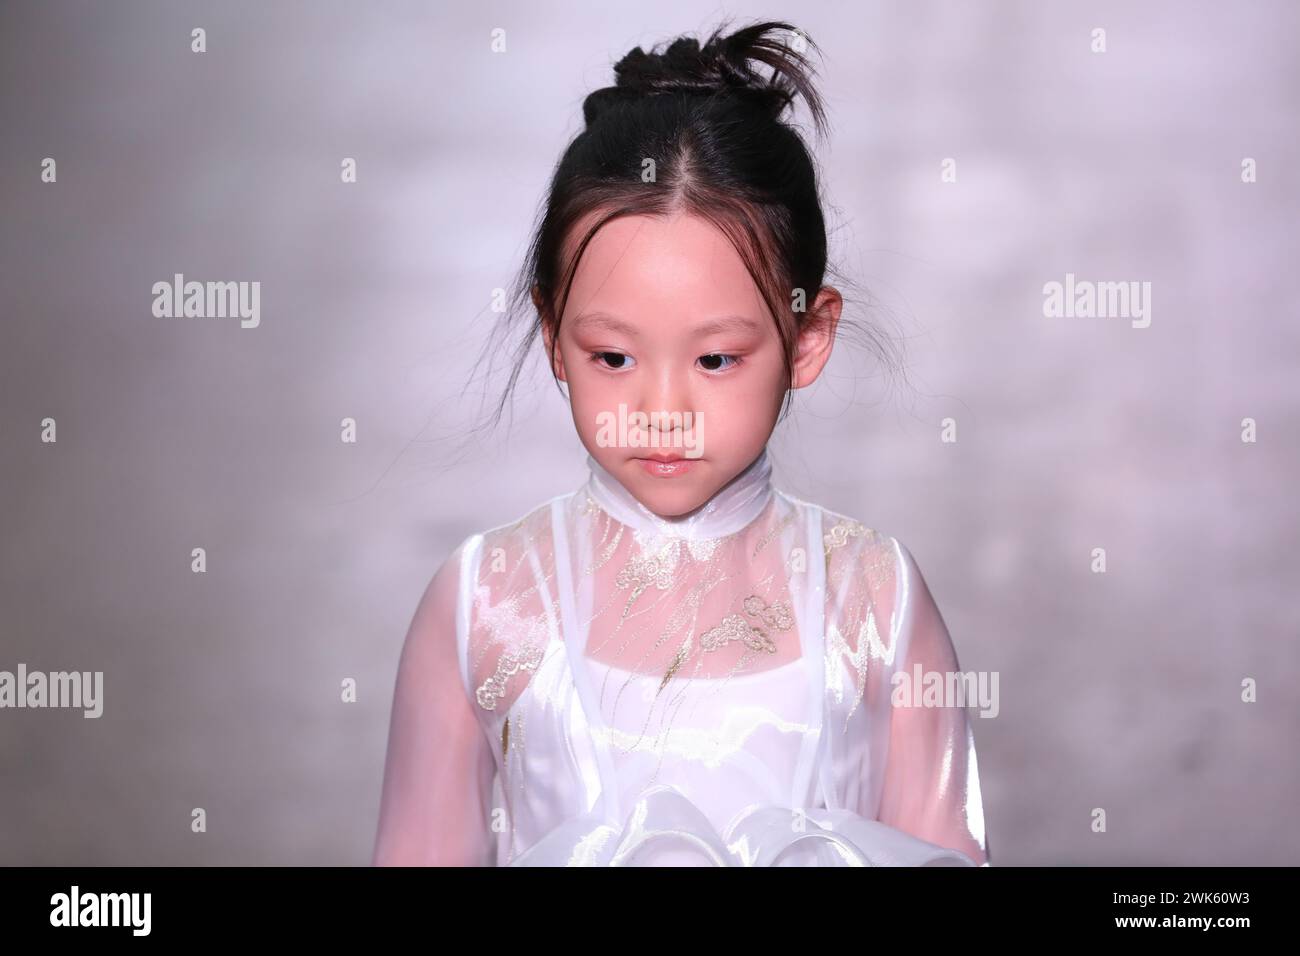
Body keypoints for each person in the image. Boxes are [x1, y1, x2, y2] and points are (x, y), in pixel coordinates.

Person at [373, 18, 990, 866]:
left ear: (807, 339)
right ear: (554, 334)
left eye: (715, 358)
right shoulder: (486, 605)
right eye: (614, 356)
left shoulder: (874, 602)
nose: (663, 407)